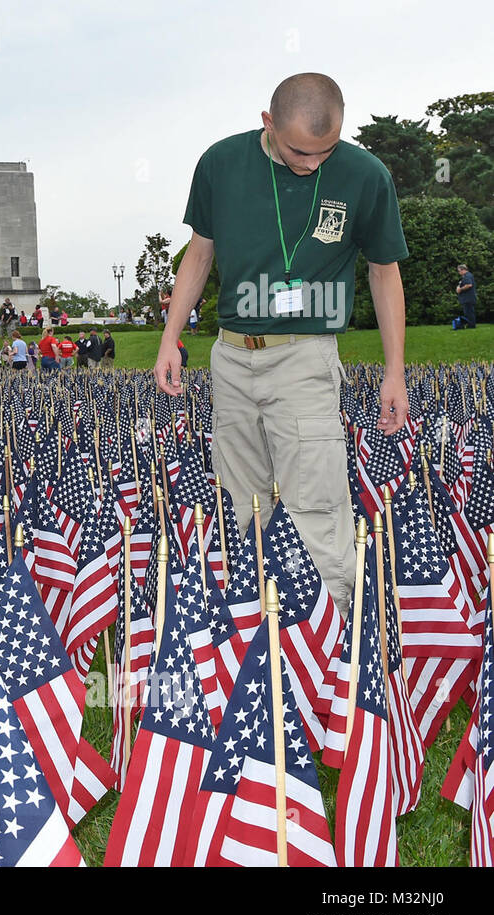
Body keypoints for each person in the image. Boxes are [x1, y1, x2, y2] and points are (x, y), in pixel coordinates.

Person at [154, 72, 408, 615]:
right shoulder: (220, 163)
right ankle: (257, 638)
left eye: (326, 150)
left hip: (305, 356)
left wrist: (395, 371)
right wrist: (169, 339)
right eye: (299, 150)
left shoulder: (367, 175)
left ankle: (343, 647)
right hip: (230, 355)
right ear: (267, 122)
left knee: (315, 506)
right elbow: (198, 255)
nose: (313, 163)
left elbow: (384, 273)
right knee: (239, 504)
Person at [454, 264, 477, 329]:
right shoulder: (467, 276)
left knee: (469, 313)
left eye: (459, 271)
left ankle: (471, 326)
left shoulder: (467, 276)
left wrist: (460, 289)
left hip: (468, 298)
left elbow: (469, 285)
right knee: (468, 312)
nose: (459, 273)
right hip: (467, 298)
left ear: (463, 270)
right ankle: (470, 325)